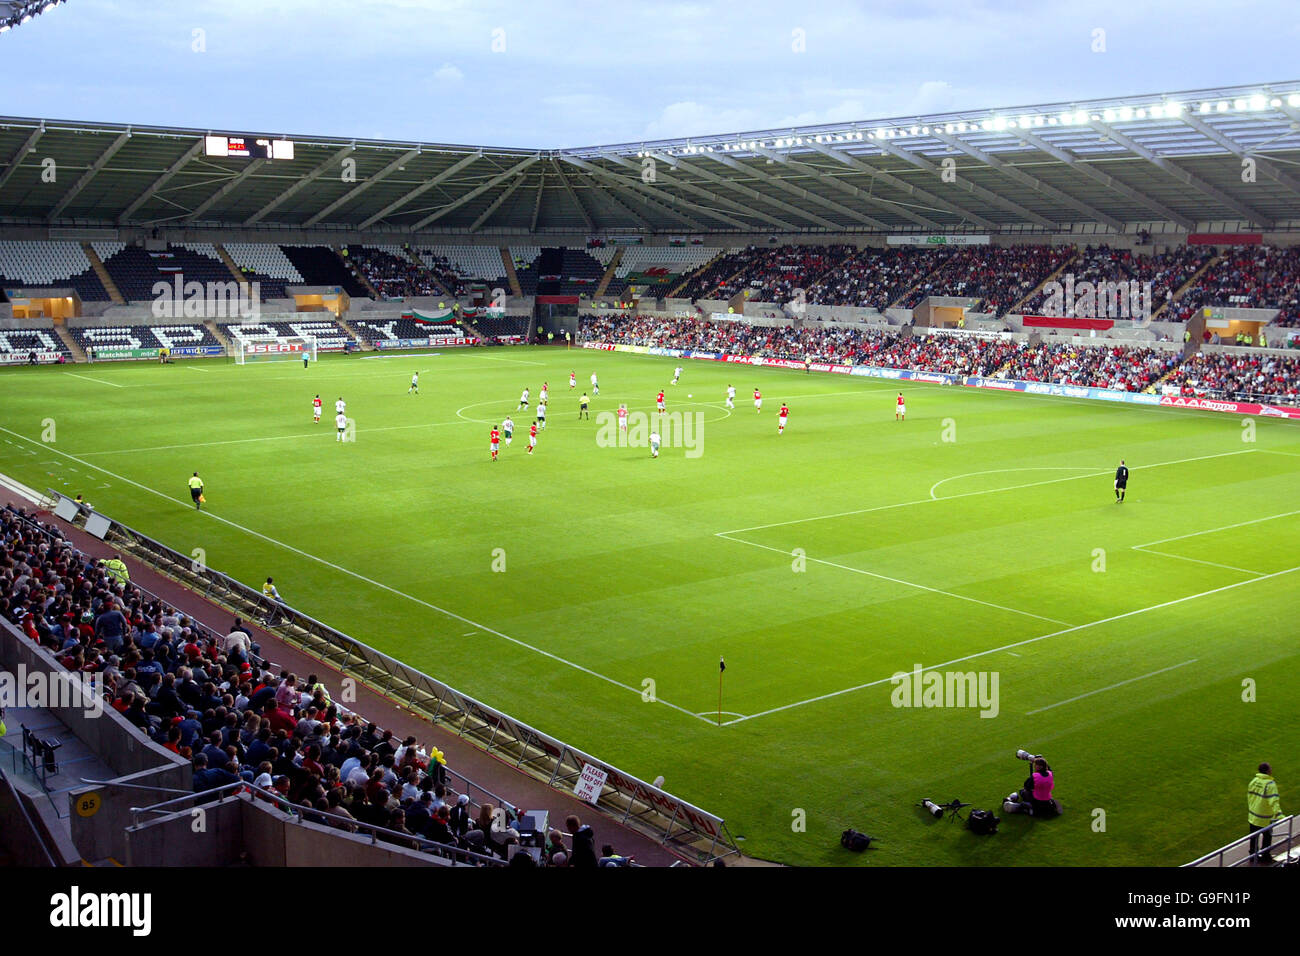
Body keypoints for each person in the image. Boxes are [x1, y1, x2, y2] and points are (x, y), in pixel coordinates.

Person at [1247, 762, 1283, 864]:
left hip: (1253, 817)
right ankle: (1266, 857)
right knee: (1267, 837)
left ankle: (1252, 857)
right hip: (1265, 818)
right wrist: (1279, 815)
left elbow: (1250, 798)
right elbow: (1274, 801)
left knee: (1253, 838)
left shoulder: (1253, 781)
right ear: (1267, 771)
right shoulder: (1270, 784)